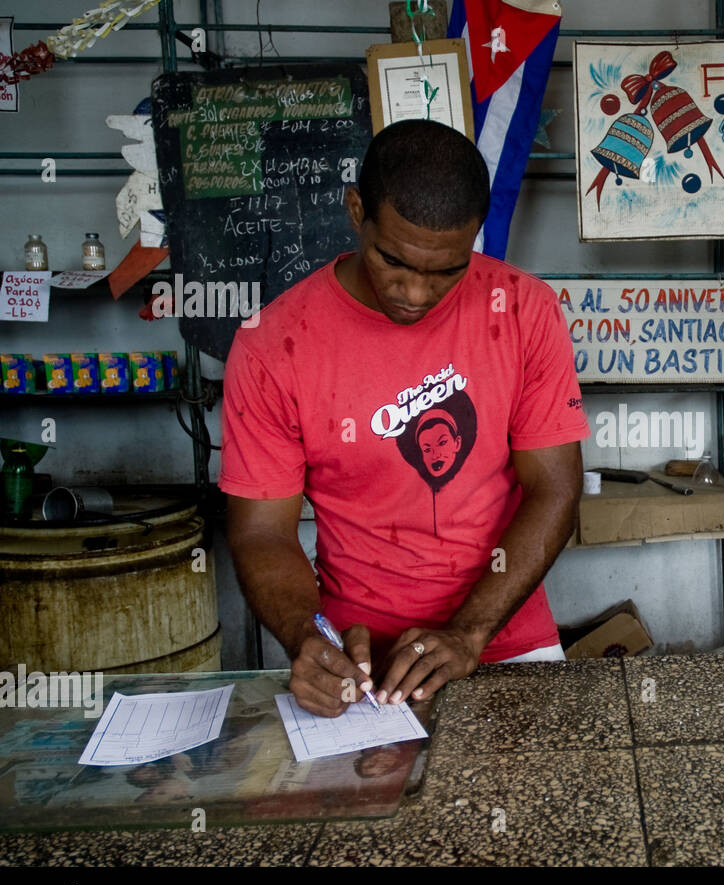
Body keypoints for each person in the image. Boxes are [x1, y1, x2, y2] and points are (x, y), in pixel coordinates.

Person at [219, 120, 588, 718]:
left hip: (505, 639)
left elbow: (555, 489)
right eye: (394, 260)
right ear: (356, 209)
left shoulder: (524, 309)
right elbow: (262, 532)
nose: (415, 293)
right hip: (357, 666)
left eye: (446, 270)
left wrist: (469, 633)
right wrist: (307, 636)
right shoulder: (273, 344)